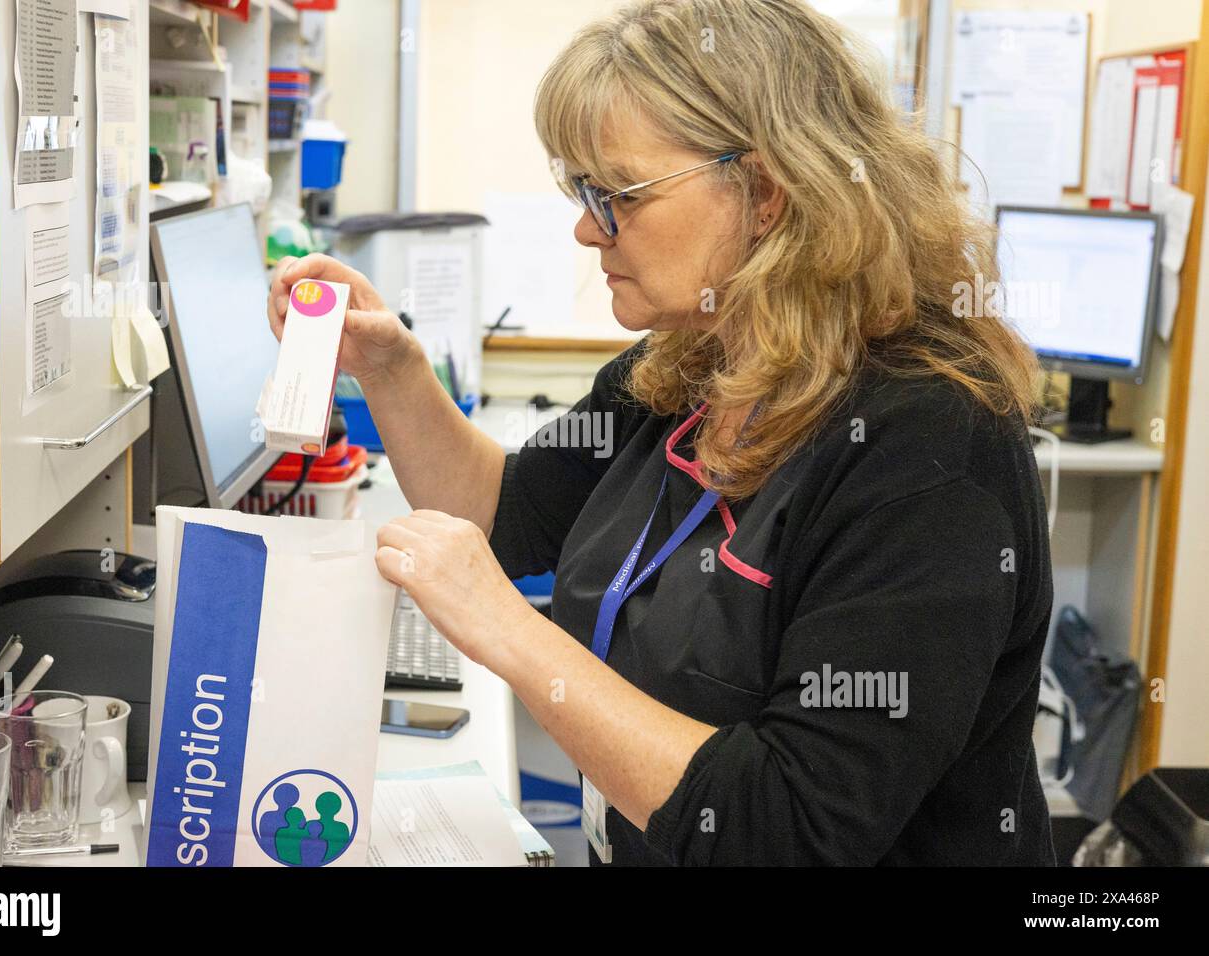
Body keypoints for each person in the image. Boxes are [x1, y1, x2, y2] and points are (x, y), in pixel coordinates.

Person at [266, 0, 1054, 866]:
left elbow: (792, 828)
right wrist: (392, 370)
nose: (583, 225)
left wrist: (510, 631)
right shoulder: (685, 364)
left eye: (618, 195)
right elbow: (506, 512)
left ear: (764, 193)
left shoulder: (933, 445)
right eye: (580, 191)